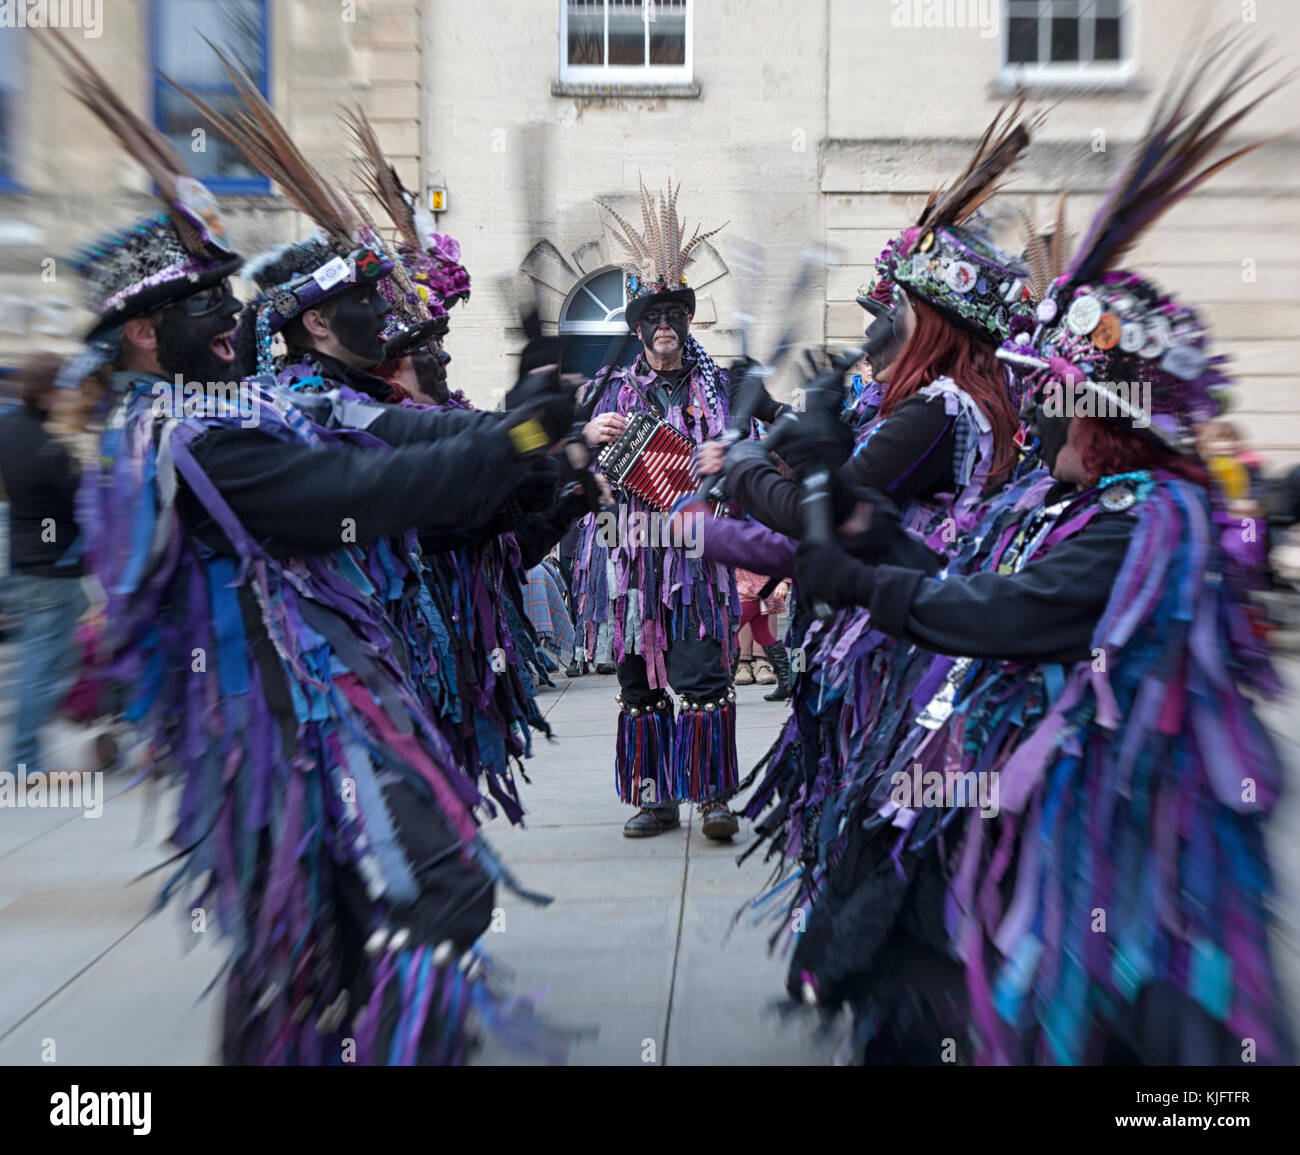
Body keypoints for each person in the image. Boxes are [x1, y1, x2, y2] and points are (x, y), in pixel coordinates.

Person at [51, 35, 574, 1065]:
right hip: (290, 717)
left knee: (312, 939)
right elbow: (360, 490)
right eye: (210, 302)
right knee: (425, 891)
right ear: (151, 336)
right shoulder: (191, 439)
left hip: (313, 700)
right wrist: (512, 438)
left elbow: (379, 434)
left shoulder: (219, 411)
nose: (234, 315)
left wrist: (513, 424)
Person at [786, 43, 1294, 1064]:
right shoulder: (1090, 497)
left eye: (1054, 393)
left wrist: (865, 582)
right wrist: (878, 543)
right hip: (1041, 794)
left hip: (1104, 822)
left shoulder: (1145, 522)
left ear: (1109, 421)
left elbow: (1013, 613)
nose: (1031, 406)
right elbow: (984, 578)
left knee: (1098, 1010)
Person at [572, 181, 760, 839]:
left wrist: (725, 454)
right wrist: (594, 438)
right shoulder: (612, 391)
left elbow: (753, 455)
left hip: (694, 554)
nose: (663, 329)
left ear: (686, 322)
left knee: (701, 672)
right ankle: (655, 798)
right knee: (638, 679)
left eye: (673, 317)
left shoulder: (721, 387)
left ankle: (711, 798)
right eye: (652, 319)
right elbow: (581, 469)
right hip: (630, 554)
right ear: (638, 329)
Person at [0, 352, 89, 778]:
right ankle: (26, 762)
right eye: (65, 387)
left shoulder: (9, 431)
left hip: (26, 561)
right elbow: (78, 505)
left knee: (38, 661)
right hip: (55, 569)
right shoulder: (49, 448)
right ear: (51, 390)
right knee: (46, 666)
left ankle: (25, 756)